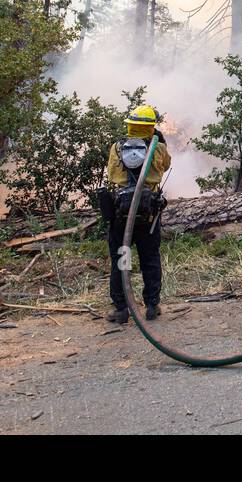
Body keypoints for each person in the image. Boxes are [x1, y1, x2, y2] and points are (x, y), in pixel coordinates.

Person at [105, 104, 171, 325]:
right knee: (150, 258)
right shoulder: (158, 149)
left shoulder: (116, 148)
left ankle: (122, 308)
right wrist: (160, 142)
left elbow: (112, 174)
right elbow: (166, 165)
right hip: (148, 212)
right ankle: (152, 305)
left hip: (121, 213)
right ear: (151, 127)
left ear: (130, 126)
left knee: (122, 259)